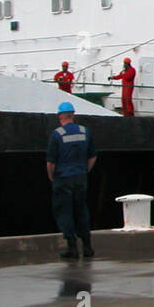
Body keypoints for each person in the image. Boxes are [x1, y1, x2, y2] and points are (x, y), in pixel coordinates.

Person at [46, 101, 97, 259]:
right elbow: (93, 156)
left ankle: (72, 248)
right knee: (81, 210)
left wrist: (51, 177)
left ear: (60, 116)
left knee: (65, 212)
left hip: (63, 178)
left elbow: (51, 163)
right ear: (73, 115)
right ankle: (87, 247)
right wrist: (84, 171)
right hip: (80, 177)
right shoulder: (84, 131)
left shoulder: (57, 134)